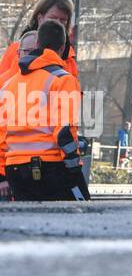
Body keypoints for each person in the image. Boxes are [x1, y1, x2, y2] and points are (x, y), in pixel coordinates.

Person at [0, 20, 87, 201]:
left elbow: (2, 132)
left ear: (37, 44)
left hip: (15, 169)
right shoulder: (63, 80)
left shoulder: (11, 84)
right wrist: (73, 168)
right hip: (50, 167)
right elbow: (64, 130)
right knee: (82, 211)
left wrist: (3, 173)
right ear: (63, 48)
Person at [0, 0, 78, 80]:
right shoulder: (17, 50)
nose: (58, 24)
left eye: (63, 20)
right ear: (40, 18)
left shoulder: (68, 55)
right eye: (53, 18)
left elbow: (73, 89)